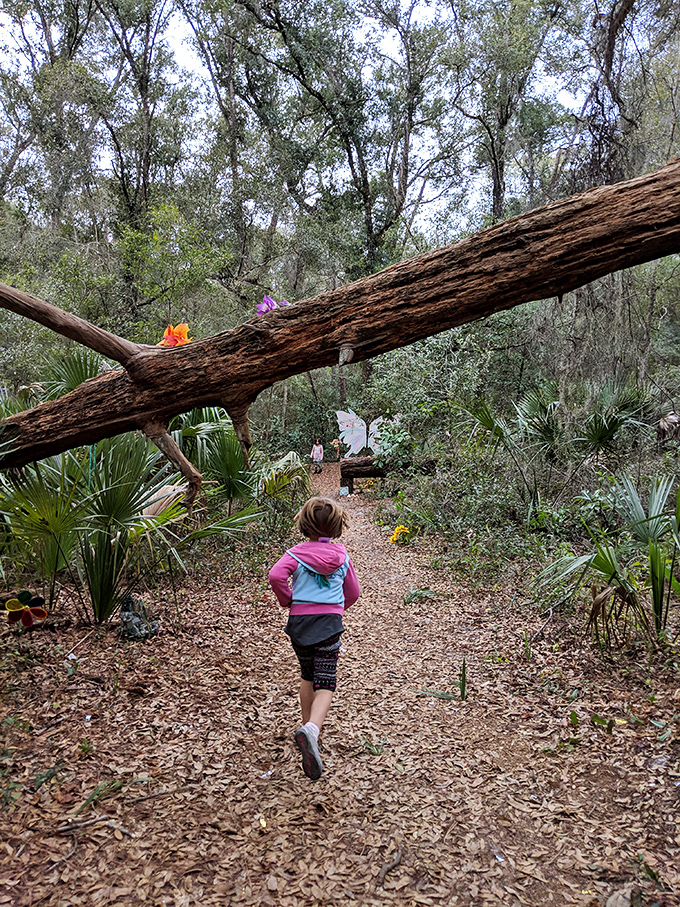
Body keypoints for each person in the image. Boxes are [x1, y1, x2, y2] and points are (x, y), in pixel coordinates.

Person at [268, 497, 360, 779]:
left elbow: (275, 576)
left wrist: (289, 600)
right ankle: (311, 730)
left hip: (300, 623)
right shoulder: (341, 556)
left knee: (308, 675)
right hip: (328, 624)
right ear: (335, 527)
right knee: (327, 681)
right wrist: (336, 608)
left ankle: (309, 732)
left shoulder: (295, 554)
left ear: (305, 524)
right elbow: (353, 592)